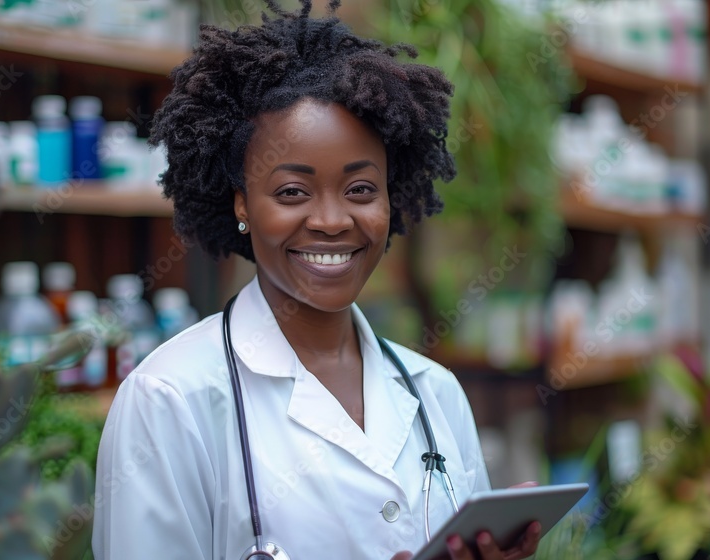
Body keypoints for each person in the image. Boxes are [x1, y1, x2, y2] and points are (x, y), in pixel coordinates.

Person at [92, 1, 542, 559]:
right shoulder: (170, 399)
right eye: (292, 192)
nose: (332, 220)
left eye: (360, 190)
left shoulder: (436, 393)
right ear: (242, 204)